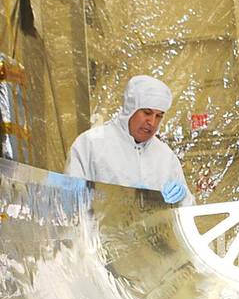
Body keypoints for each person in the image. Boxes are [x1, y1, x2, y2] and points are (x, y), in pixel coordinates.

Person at [66, 74, 192, 205]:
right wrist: (119, 201)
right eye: (147, 113)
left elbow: (187, 211)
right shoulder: (90, 144)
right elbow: (71, 201)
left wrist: (181, 199)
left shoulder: (165, 156)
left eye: (159, 116)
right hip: (104, 225)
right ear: (130, 109)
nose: (152, 122)